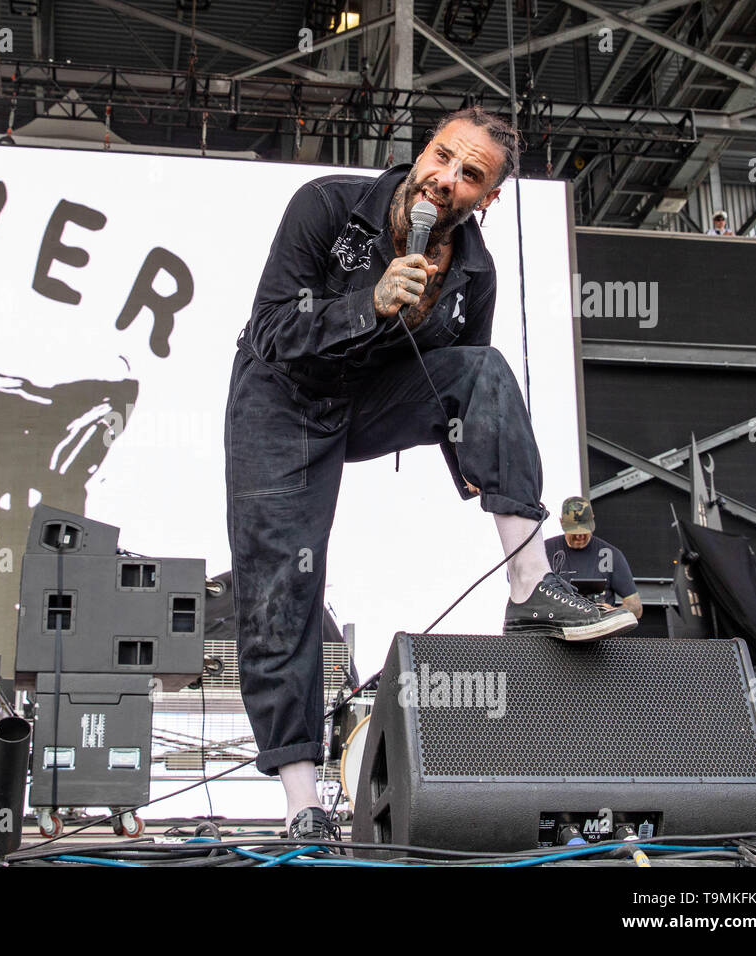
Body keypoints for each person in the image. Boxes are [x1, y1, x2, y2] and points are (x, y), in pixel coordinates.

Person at [224, 107, 636, 844]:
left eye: (470, 175)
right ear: (422, 151)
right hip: (281, 399)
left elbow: (465, 383)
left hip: (367, 402)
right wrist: (366, 305)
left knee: (487, 369)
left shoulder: (474, 271)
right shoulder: (325, 206)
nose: (446, 179)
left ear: (488, 197)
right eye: (443, 157)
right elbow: (270, 330)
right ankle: (301, 807)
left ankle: (530, 585)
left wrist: (475, 468)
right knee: (281, 582)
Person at [544, 496, 642, 620]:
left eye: (584, 531)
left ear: (592, 521)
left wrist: (613, 612)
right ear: (561, 522)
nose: (579, 536)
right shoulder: (544, 551)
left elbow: (636, 607)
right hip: (555, 630)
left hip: (600, 632)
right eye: (574, 532)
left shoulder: (610, 554)